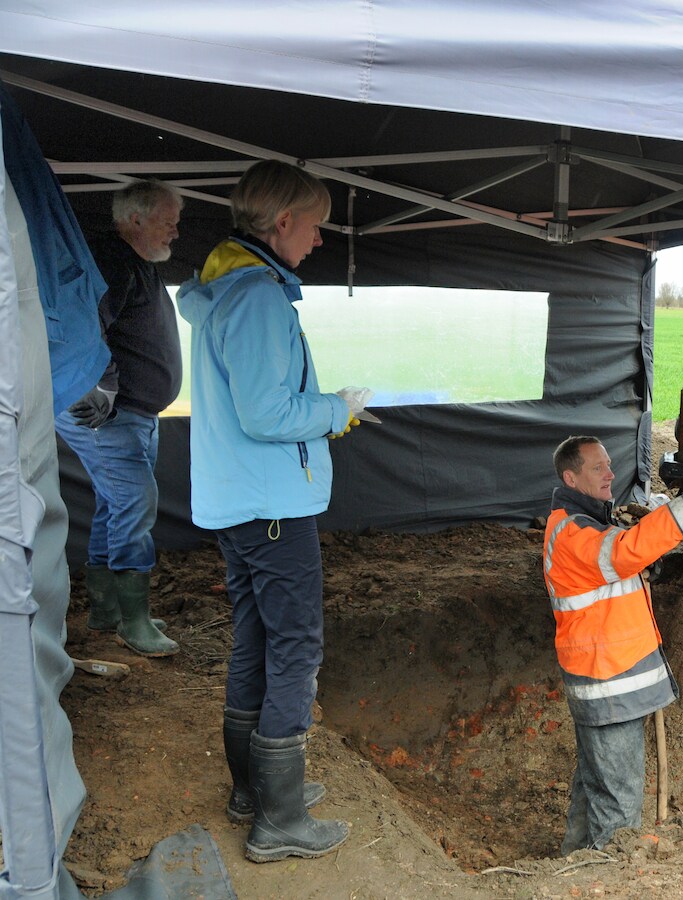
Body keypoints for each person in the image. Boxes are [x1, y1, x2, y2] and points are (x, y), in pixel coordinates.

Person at [177, 160, 371, 862]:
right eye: (315, 225)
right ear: (282, 222)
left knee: (256, 642)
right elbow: (267, 412)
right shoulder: (259, 298)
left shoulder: (224, 291)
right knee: (295, 648)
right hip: (272, 506)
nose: (318, 240)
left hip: (239, 501)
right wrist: (336, 411)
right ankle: (280, 821)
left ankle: (251, 792)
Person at [542, 436, 683, 854]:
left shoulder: (588, 522)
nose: (610, 474)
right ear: (571, 477)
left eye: (608, 465)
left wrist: (641, 566)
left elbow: (617, 564)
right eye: (598, 468)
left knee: (594, 787)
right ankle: (609, 879)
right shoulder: (572, 532)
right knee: (619, 809)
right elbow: (619, 555)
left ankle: (576, 869)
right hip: (608, 686)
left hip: (608, 684)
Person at [55, 179, 183, 657]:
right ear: (135, 219)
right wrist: (103, 384)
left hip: (133, 413)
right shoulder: (111, 261)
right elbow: (84, 327)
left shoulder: (136, 263)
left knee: (116, 505)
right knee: (133, 503)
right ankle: (133, 621)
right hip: (110, 414)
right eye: (167, 221)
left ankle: (107, 611)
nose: (175, 231)